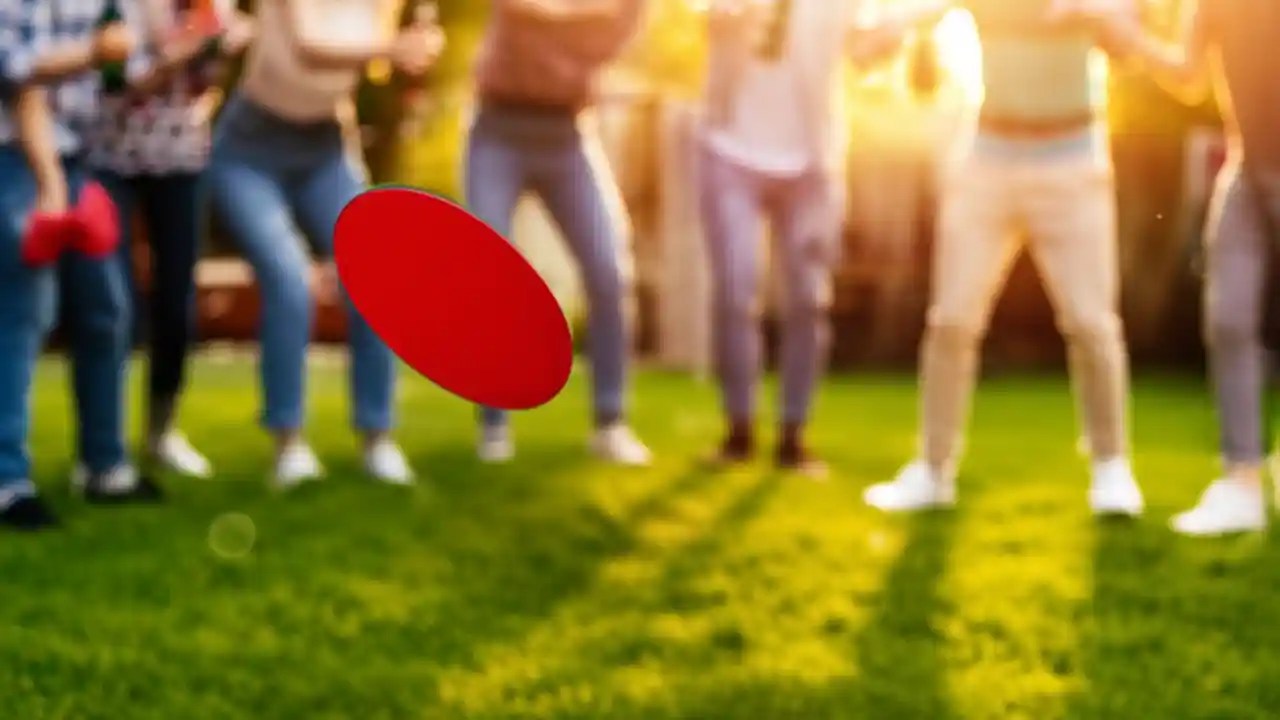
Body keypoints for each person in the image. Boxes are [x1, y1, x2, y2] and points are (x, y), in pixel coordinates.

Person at [864, 0, 1146, 516]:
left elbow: (1132, 39)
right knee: (951, 320)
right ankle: (932, 469)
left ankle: (1112, 467)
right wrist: (895, 24)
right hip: (987, 162)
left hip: (1073, 163)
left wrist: (1101, 11)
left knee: (1091, 322)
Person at [698, 0, 948, 475]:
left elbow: (864, 51)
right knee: (735, 290)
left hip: (812, 167)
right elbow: (709, 19)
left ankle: (794, 435)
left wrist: (902, 33)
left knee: (809, 300)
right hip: (730, 151)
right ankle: (739, 429)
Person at [206, 0, 443, 488]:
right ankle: (288, 442)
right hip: (249, 149)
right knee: (290, 281)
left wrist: (415, 53)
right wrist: (395, 47)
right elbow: (309, 48)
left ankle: (378, 438)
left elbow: (370, 68)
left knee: (376, 279)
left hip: (326, 146)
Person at [1085, 0, 1280, 535]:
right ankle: (1242, 481)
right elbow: (1191, 78)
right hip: (1248, 171)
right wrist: (1132, 38)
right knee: (1228, 318)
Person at [466, 0, 653, 466]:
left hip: (568, 136)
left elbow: (620, 30)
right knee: (492, 272)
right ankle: (493, 424)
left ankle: (610, 423)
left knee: (609, 271)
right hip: (497, 131)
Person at [0, 0, 159, 530]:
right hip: (13, 157)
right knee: (24, 314)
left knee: (106, 307)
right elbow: (16, 71)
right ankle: (6, 480)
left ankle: (104, 465)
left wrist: (191, 48)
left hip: (75, 160)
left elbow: (126, 77)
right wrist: (48, 185)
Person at [89, 0, 253, 480]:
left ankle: (161, 432)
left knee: (177, 304)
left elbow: (207, 85)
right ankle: (103, 442)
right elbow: (127, 81)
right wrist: (200, 43)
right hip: (110, 160)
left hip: (182, 160)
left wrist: (218, 49)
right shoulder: (117, 6)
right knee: (110, 303)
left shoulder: (211, 5)